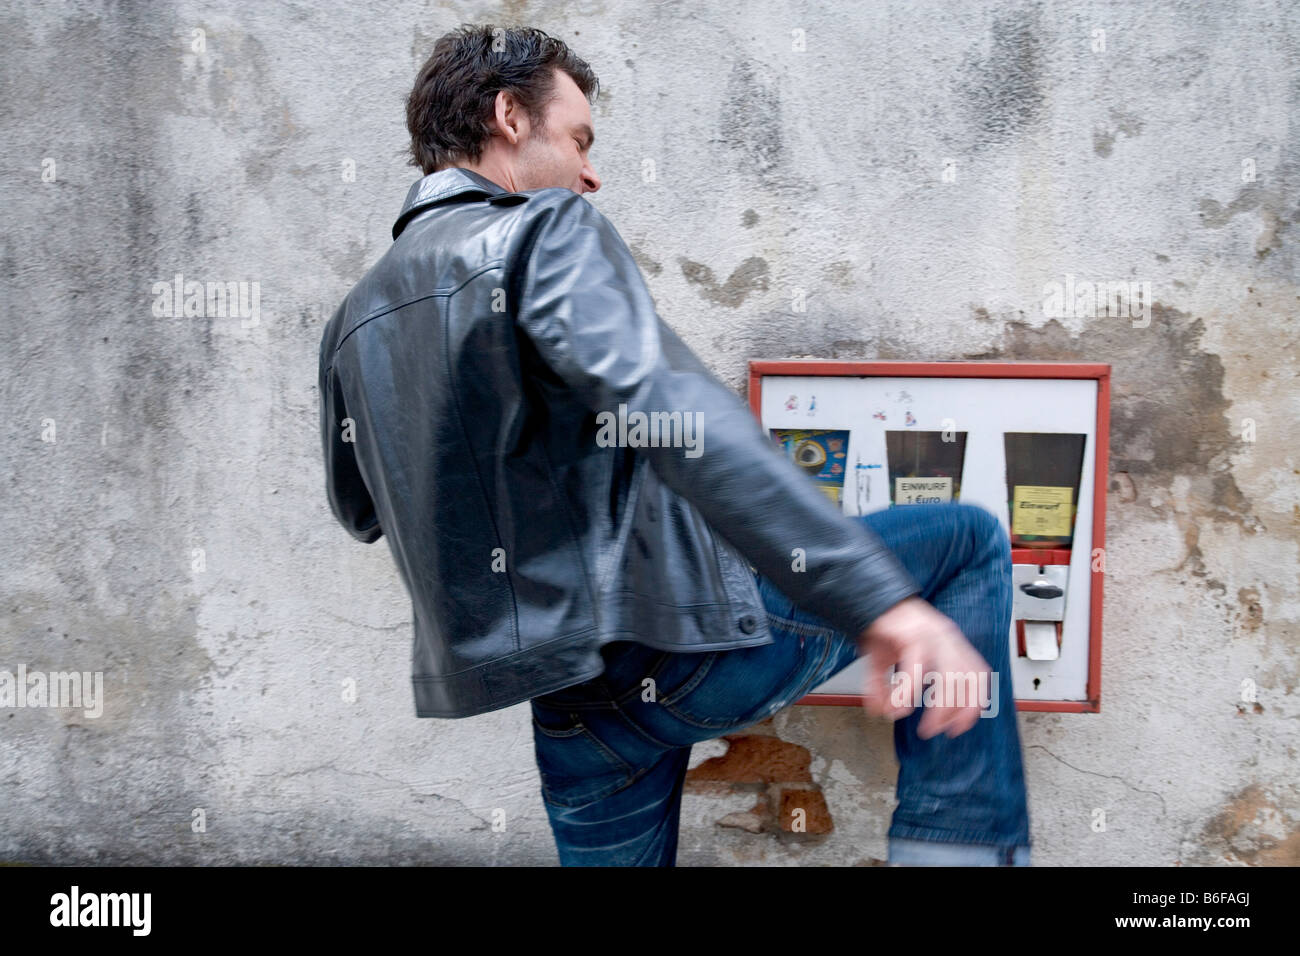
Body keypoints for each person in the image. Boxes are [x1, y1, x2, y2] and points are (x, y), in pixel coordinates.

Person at [318, 23, 1031, 866]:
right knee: (969, 538)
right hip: (688, 651)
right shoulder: (543, 231)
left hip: (570, 704)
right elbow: (668, 409)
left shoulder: (352, 321)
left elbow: (364, 508)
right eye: (578, 139)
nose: (590, 173)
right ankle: (958, 852)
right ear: (510, 116)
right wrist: (881, 601)